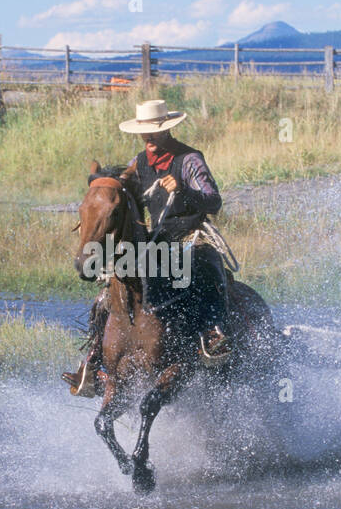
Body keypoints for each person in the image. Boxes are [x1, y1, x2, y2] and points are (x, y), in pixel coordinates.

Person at [64, 99, 232, 398]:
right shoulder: (138, 162)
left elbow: (213, 200)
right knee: (109, 290)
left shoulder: (189, 160)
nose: (149, 141)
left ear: (167, 131)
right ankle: (94, 360)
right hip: (155, 237)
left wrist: (183, 192)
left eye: (154, 134)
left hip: (190, 235)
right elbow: (124, 194)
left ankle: (212, 332)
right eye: (145, 135)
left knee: (206, 266)